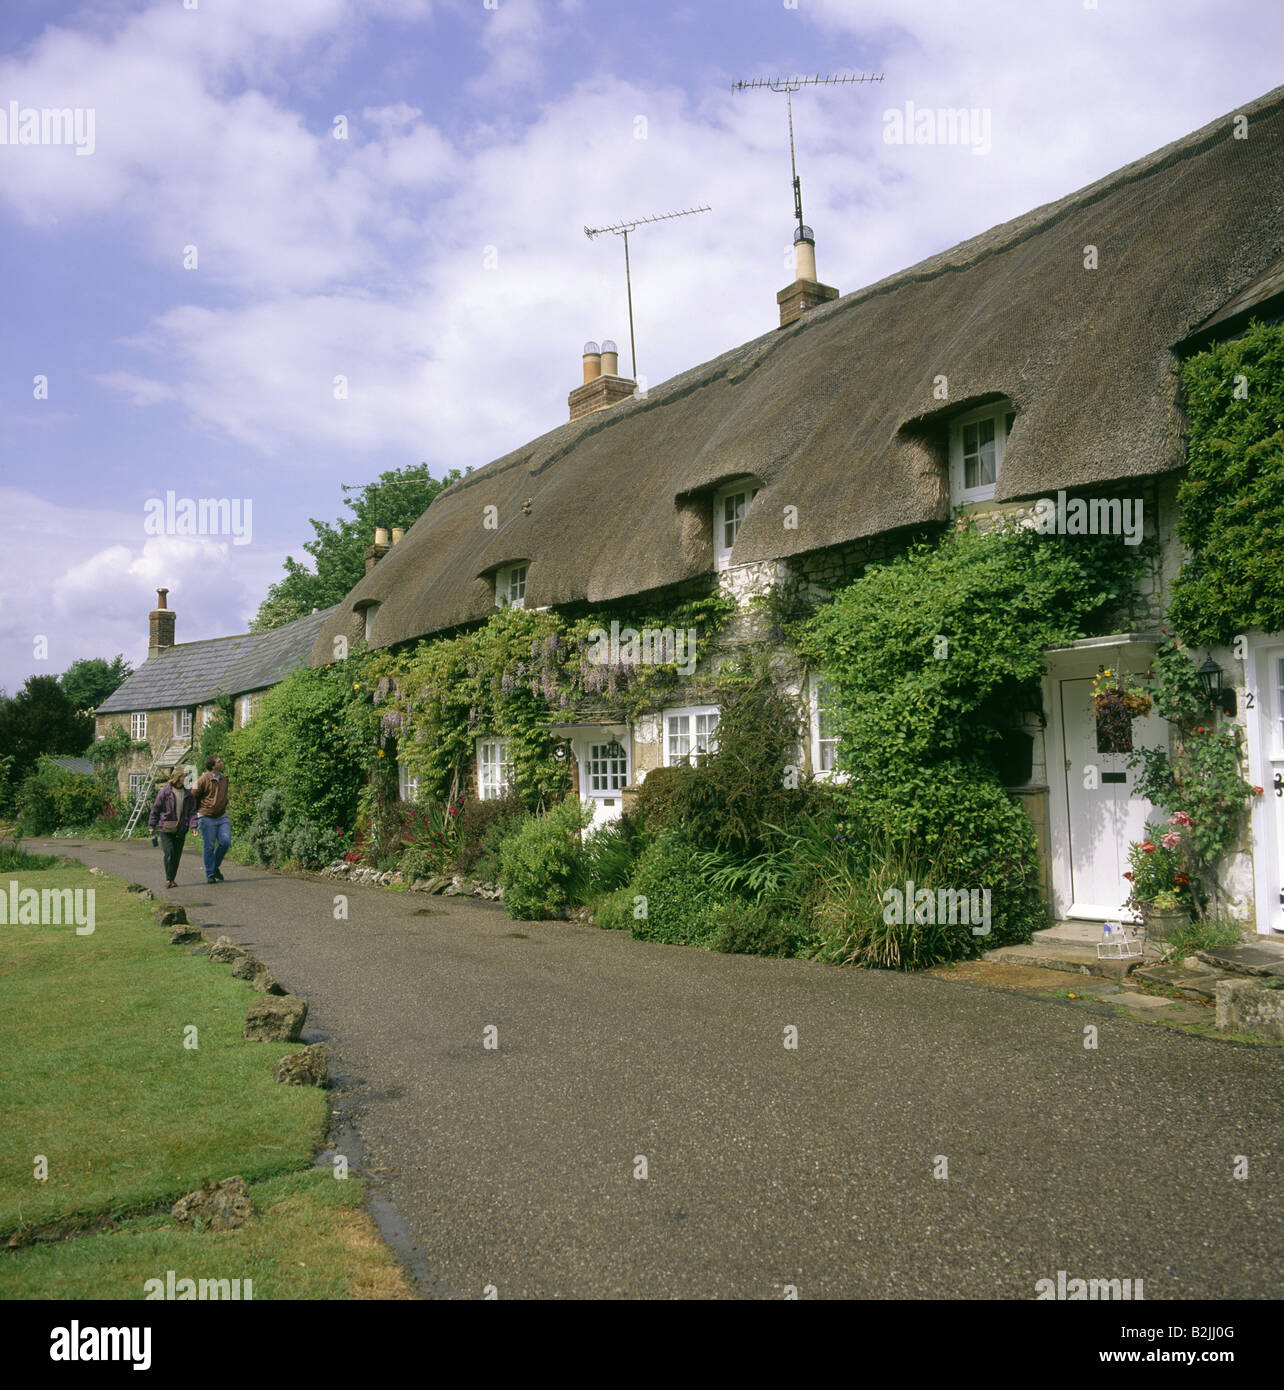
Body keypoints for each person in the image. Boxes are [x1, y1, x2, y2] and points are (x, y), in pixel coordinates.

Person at [148, 766, 197, 889]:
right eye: (183, 776)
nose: (185, 779)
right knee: (169, 852)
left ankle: (172, 879)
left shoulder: (188, 793)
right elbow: (155, 809)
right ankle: (168, 879)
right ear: (177, 778)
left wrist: (193, 827)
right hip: (166, 829)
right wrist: (151, 825)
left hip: (181, 829)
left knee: (176, 855)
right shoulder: (165, 792)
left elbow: (192, 812)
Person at [193, 754, 232, 885]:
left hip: (222, 816)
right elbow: (193, 796)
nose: (221, 763)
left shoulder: (224, 779)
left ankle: (214, 867)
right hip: (206, 817)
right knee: (209, 846)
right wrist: (196, 814)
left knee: (225, 842)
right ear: (213, 766)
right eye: (218, 761)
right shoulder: (202, 779)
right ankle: (210, 873)